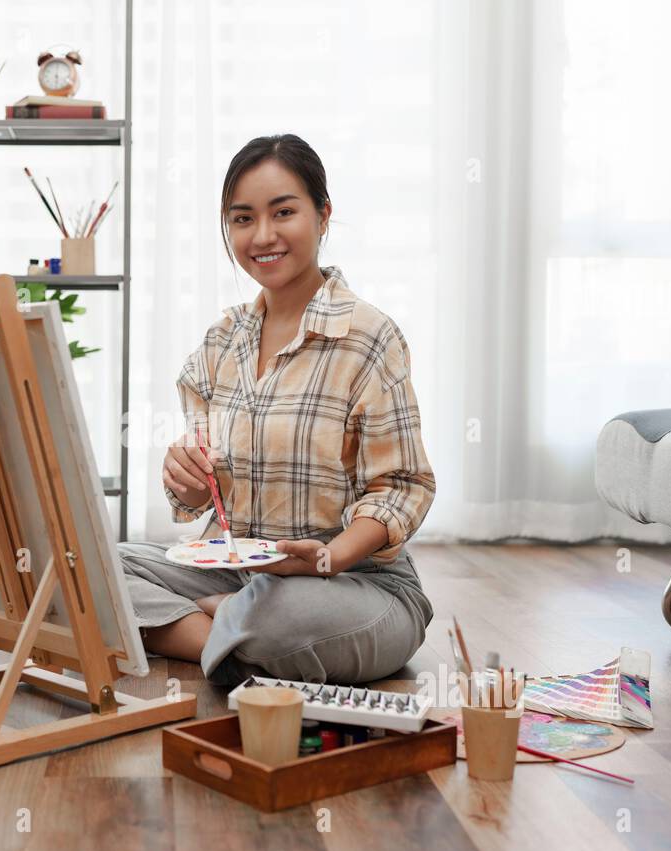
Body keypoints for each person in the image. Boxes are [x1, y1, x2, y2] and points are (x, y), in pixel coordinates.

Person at [118, 133, 436, 687]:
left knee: (283, 616)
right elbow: (202, 490)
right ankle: (229, 634)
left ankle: (219, 629)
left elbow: (402, 488)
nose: (262, 236)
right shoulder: (220, 342)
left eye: (283, 212)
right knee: (81, 567)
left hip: (352, 586)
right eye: (243, 219)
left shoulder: (368, 337)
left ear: (322, 215)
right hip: (233, 573)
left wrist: (326, 559)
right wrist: (189, 481)